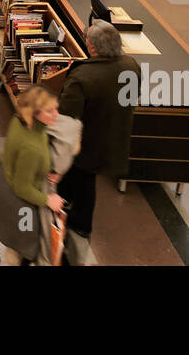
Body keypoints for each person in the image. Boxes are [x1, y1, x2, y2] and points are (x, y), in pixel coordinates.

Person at [57, 21, 139, 263]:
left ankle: (71, 237)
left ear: (91, 47)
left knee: (80, 183)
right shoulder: (131, 66)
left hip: (84, 146)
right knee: (83, 181)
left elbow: (66, 118)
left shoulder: (83, 76)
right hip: (114, 138)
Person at [0, 86, 65, 265]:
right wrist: (48, 200)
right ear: (35, 112)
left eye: (56, 108)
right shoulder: (31, 147)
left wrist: (47, 168)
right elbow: (23, 188)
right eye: (50, 111)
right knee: (27, 249)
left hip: (2, 186)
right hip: (21, 202)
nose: (56, 114)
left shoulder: (19, 121)